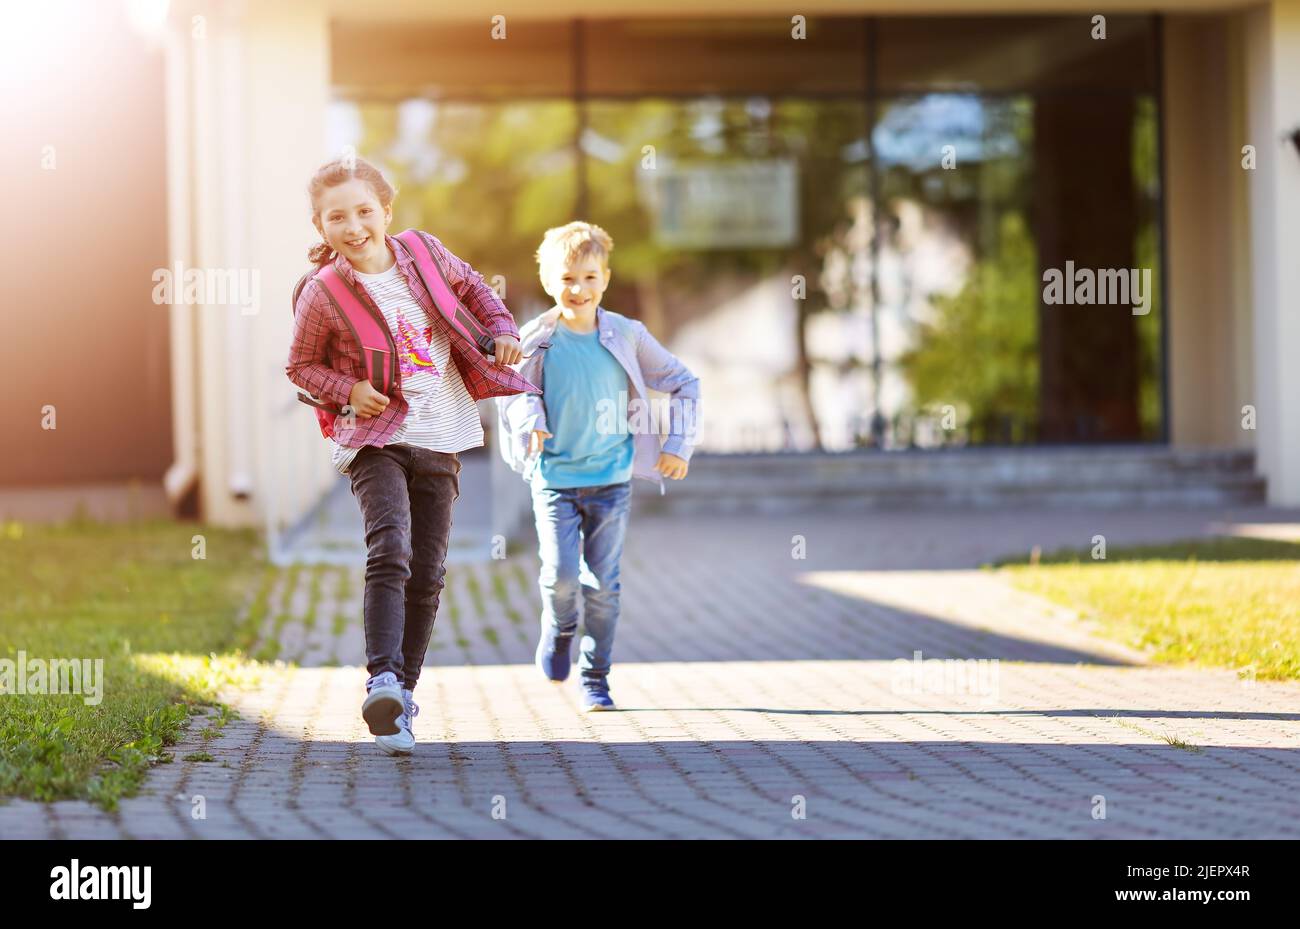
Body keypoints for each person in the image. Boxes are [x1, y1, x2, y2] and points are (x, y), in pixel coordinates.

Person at [287, 156, 533, 753]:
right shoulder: (324, 294)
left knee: (428, 570)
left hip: (442, 432)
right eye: (336, 216)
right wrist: (350, 392)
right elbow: (301, 365)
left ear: (386, 212)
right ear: (321, 227)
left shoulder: (423, 252)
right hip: (375, 439)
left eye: (364, 211)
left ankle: (399, 703)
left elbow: (475, 288)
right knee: (390, 545)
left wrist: (501, 327)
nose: (353, 225)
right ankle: (383, 677)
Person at [497, 222, 701, 711]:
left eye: (589, 277)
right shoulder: (537, 339)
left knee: (603, 585)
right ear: (549, 281)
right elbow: (511, 392)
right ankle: (559, 626)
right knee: (561, 576)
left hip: (611, 482)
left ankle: (596, 678)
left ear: (605, 279)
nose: (579, 289)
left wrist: (677, 444)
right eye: (567, 278)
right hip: (554, 480)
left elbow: (683, 381)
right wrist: (532, 421)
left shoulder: (627, 335)